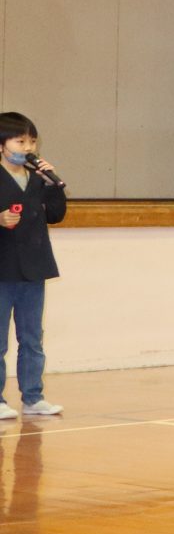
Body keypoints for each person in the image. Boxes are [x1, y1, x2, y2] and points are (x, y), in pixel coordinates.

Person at [0, 113, 66, 420]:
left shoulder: (38, 177)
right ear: (2, 145)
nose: (27, 147)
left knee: (31, 337)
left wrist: (53, 185)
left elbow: (55, 215)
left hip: (33, 267)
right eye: (20, 140)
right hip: (3, 267)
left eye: (32, 141)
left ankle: (33, 397)